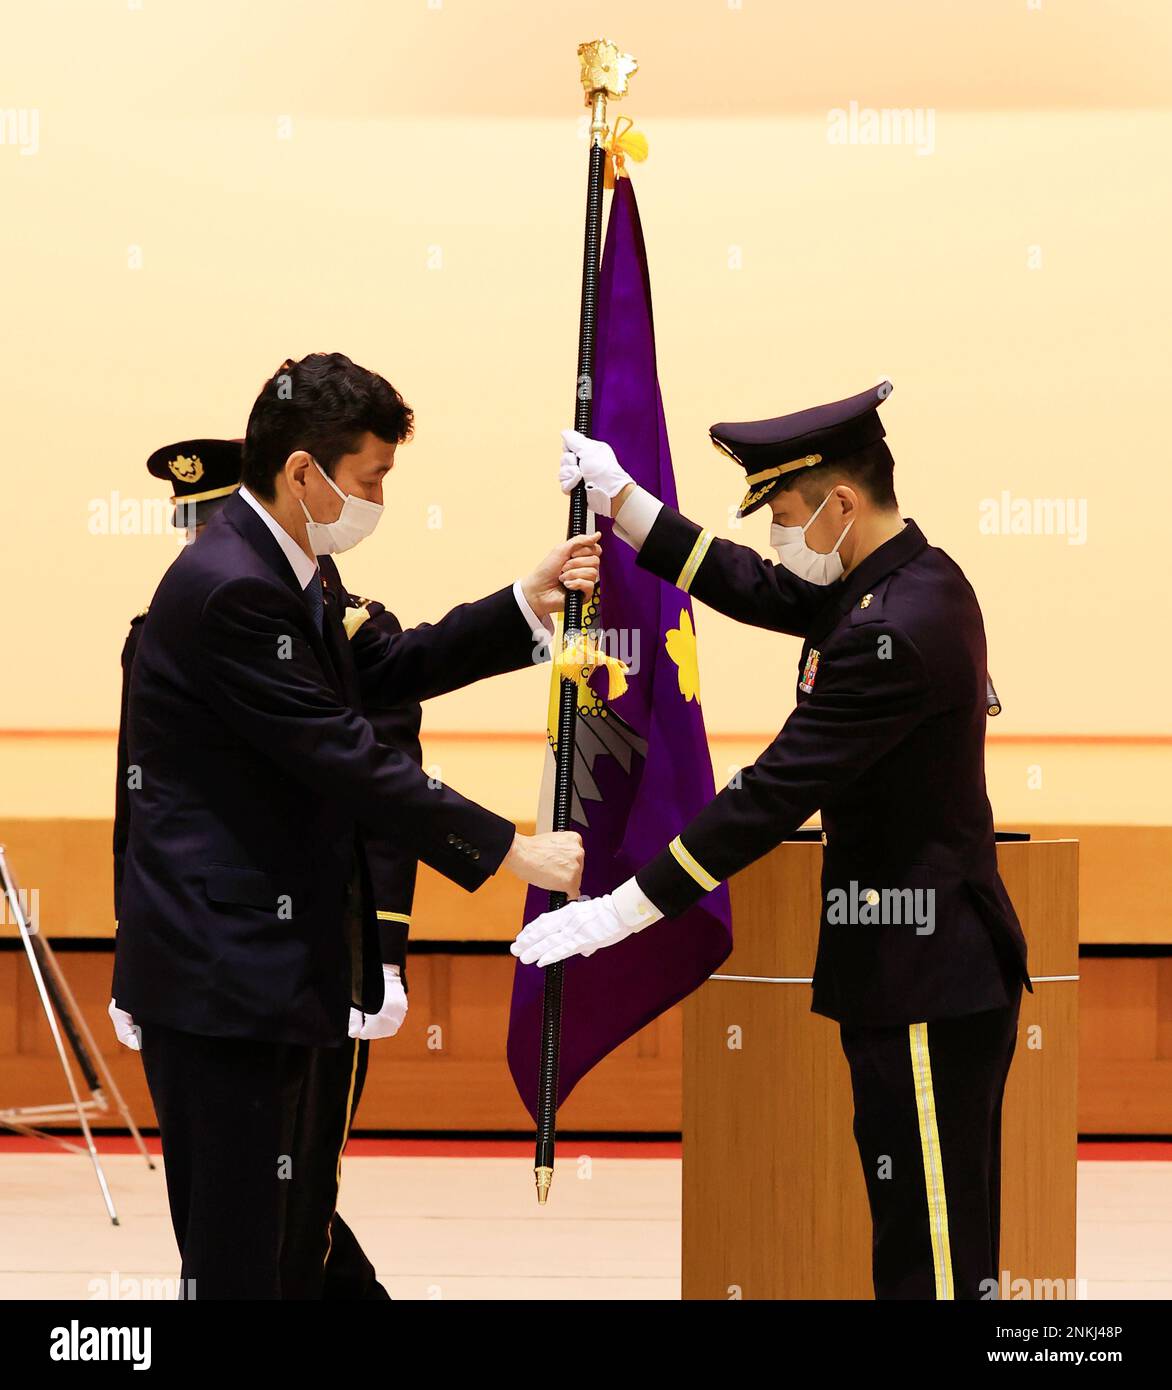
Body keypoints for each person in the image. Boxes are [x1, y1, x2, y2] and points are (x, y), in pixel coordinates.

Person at [515, 381, 1031, 1301]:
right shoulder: (904, 579)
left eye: (785, 515)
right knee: (915, 1235)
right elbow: (760, 588)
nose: (776, 538)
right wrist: (626, 503)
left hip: (925, 977)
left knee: (935, 1257)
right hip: (912, 968)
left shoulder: (893, 633)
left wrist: (623, 912)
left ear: (839, 504)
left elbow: (769, 794)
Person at [111, 351, 597, 1298]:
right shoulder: (230, 587)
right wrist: (508, 848)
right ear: (304, 472)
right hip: (224, 981)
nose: (377, 498)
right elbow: (343, 751)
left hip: (277, 969)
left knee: (294, 1237)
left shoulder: (295, 571)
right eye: (370, 478)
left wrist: (519, 609)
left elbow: (379, 673)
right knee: (241, 1256)